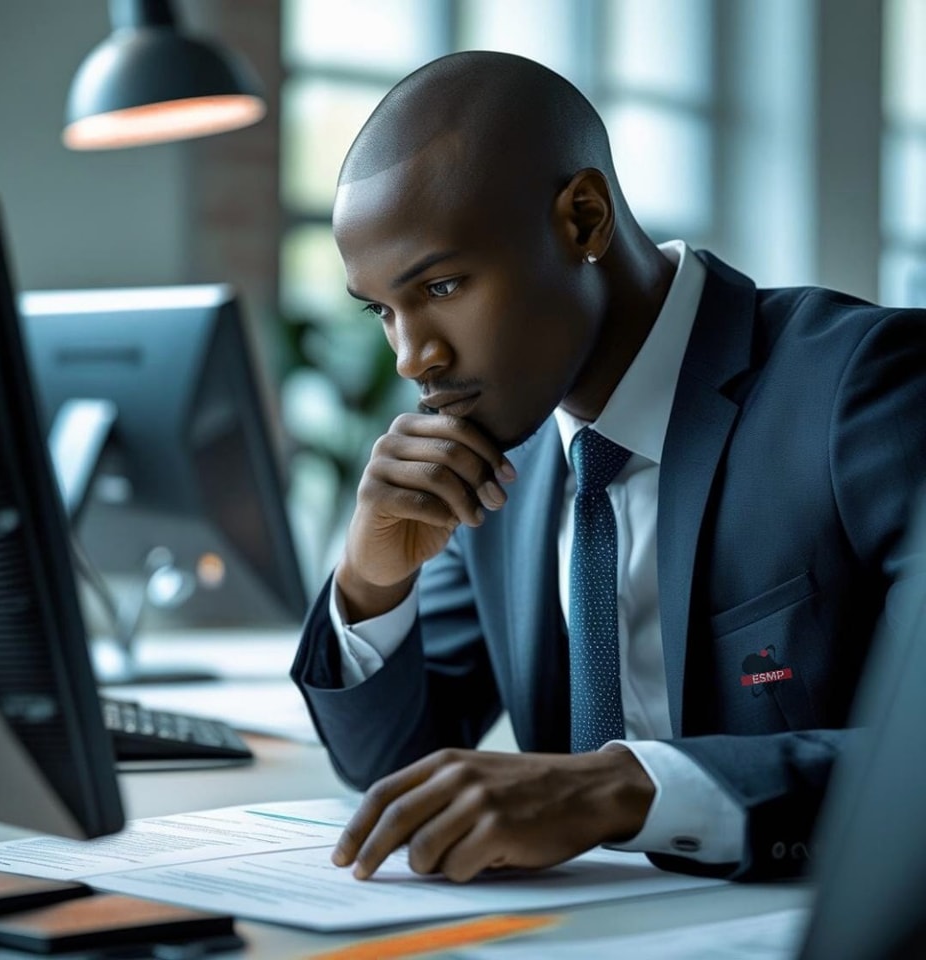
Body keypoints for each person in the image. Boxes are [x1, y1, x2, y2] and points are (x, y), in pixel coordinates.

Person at [291, 50, 926, 884]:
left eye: (441, 287)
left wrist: (624, 789)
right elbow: (389, 766)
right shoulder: (498, 449)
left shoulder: (862, 386)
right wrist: (371, 585)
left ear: (584, 219)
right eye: (382, 311)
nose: (414, 358)